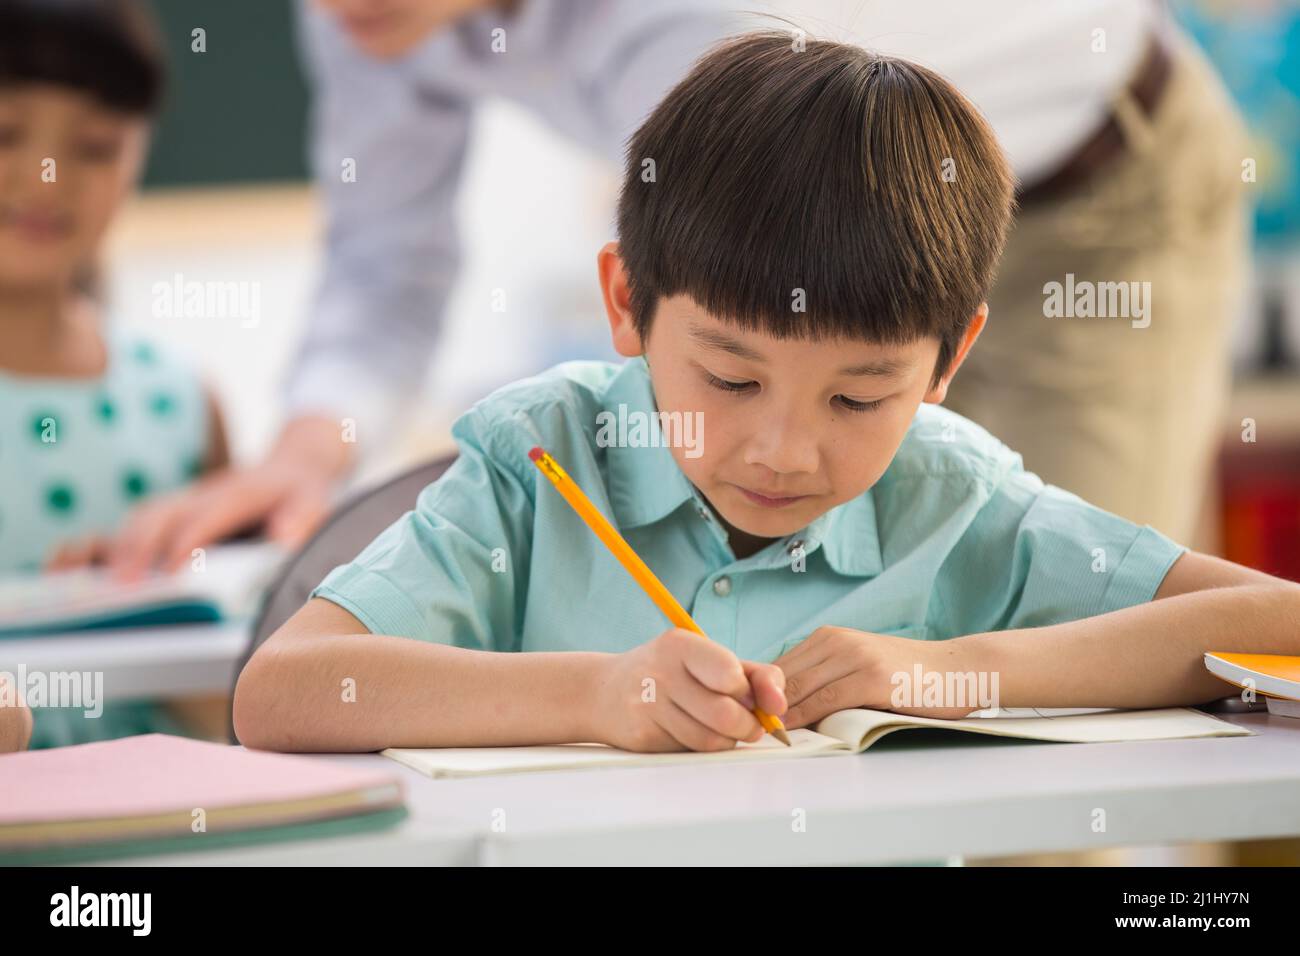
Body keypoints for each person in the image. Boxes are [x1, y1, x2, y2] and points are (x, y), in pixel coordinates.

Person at [232, 33, 1299, 754]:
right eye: (731, 377)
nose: (784, 450)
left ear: (947, 361)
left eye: (860, 396)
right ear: (625, 302)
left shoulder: (950, 493)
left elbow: (1277, 624)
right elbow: (278, 692)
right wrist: (596, 694)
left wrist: (948, 672)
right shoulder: (545, 457)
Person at [99, 0, 742, 579]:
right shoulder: (368, 16)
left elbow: (735, 279)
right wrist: (300, 462)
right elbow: (386, 270)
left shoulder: (684, 25)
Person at [0, 0, 231, 747]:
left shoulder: (180, 400)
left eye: (97, 146)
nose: (46, 177)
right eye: (5, 132)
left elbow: (239, 679)